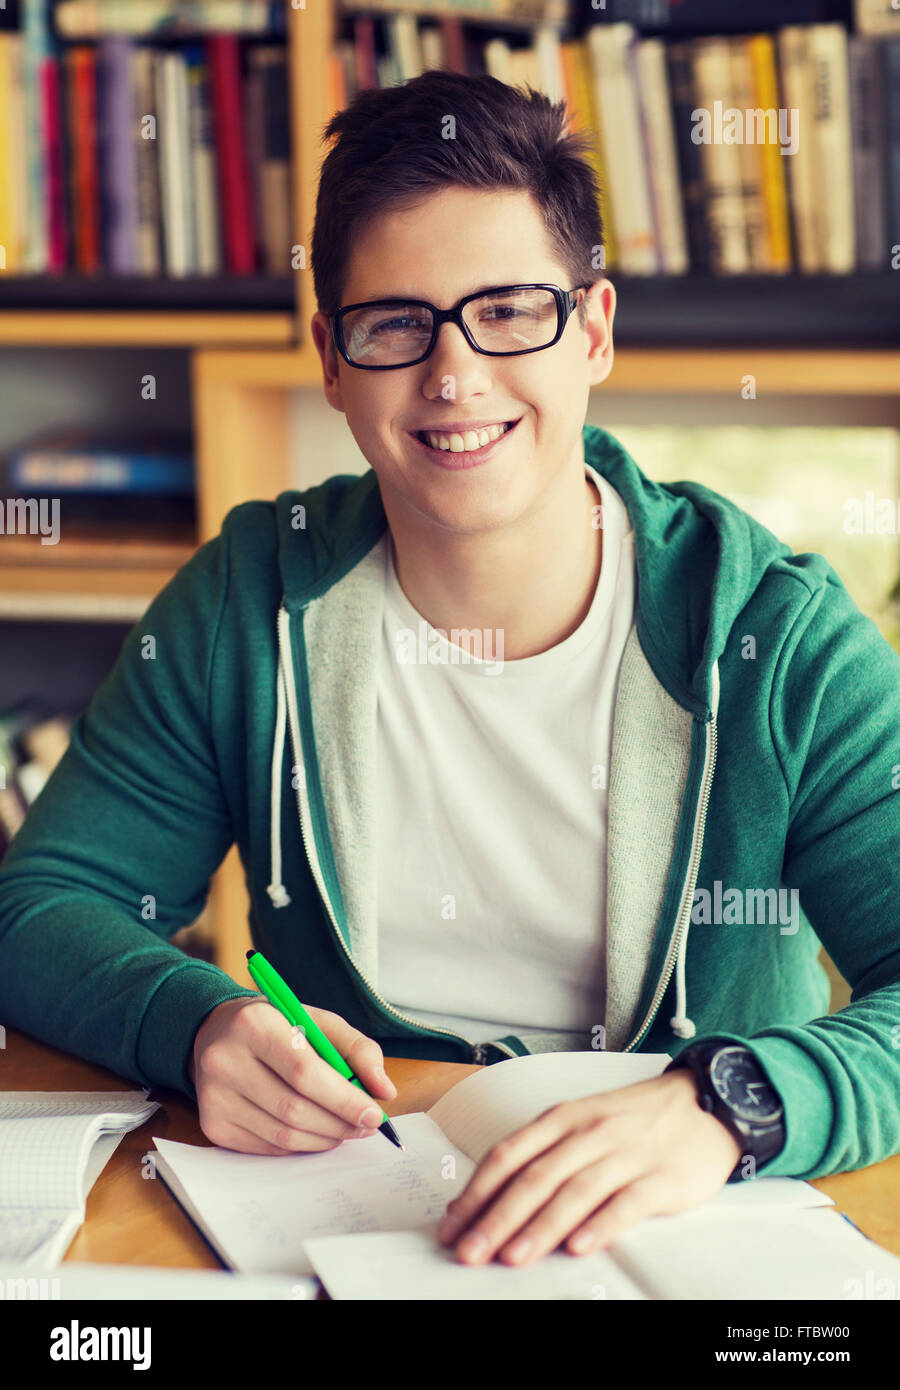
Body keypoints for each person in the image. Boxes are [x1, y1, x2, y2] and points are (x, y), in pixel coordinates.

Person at [1, 71, 899, 1272]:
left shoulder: (773, 630)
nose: (454, 375)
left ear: (593, 327)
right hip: (346, 1237)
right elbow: (39, 909)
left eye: (512, 310)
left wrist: (732, 1103)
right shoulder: (248, 599)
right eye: (396, 324)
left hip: (685, 1247)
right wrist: (197, 1021)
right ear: (332, 356)